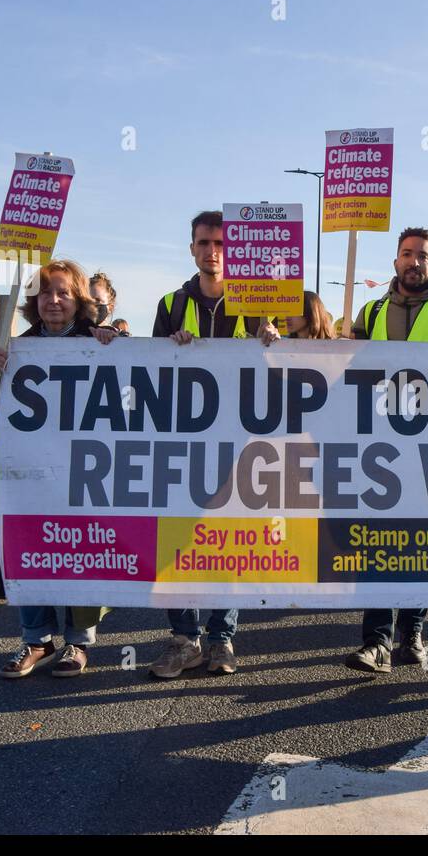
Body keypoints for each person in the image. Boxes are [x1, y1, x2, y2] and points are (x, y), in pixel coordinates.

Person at [342, 226, 428, 674]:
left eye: (422, 256)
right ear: (395, 261)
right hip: (377, 446)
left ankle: (412, 634)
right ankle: (377, 643)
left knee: (422, 542)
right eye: (407, 254)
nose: (414, 262)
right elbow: (341, 369)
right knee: (379, 544)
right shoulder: (371, 310)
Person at [146, 210, 274, 680]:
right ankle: (185, 640)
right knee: (176, 540)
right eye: (203, 243)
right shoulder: (171, 304)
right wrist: (169, 348)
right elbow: (147, 371)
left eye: (220, 243)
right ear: (192, 248)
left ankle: (221, 639)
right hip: (183, 444)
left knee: (229, 542)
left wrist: (272, 344)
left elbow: (272, 371)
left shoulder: (257, 304)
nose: (212, 251)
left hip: (239, 445)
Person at [0, 259, 113, 679]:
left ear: (78, 299)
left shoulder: (99, 342)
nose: (53, 301)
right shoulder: (16, 348)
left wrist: (114, 340)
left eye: (63, 293)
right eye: (44, 293)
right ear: (33, 301)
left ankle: (78, 642)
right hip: (31, 476)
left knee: (82, 550)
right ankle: (35, 639)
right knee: (27, 546)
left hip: (84, 475)